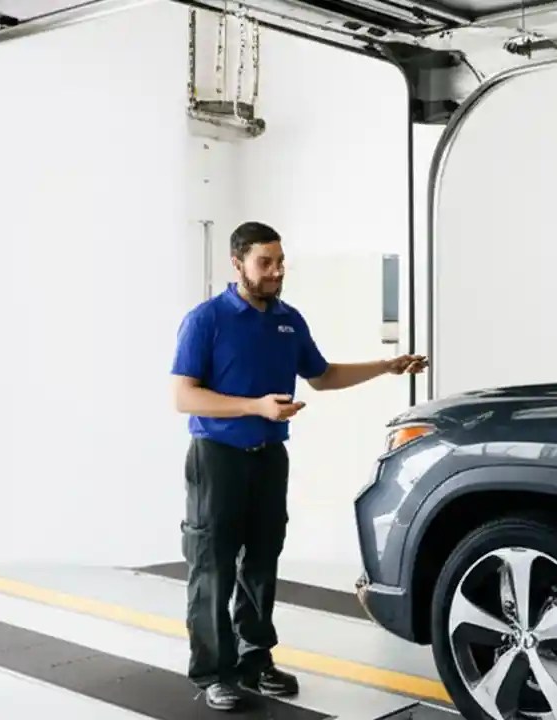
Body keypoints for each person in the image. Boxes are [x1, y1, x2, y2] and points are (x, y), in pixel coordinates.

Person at [170, 221, 427, 711]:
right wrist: (255, 407)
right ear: (238, 263)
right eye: (265, 262)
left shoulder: (288, 320)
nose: (276, 271)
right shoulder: (206, 319)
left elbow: (322, 376)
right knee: (213, 566)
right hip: (217, 458)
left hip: (269, 458)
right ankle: (214, 672)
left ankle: (255, 659)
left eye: (280, 261)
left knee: (262, 561)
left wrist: (386, 366)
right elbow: (184, 396)